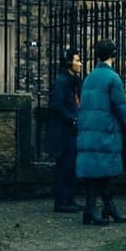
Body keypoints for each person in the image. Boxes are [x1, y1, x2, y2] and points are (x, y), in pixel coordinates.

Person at [76, 39, 126, 226]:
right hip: (106, 131)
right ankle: (100, 209)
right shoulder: (113, 78)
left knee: (96, 172)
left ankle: (96, 209)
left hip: (89, 130)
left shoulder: (89, 77)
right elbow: (120, 107)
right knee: (105, 172)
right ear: (113, 54)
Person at [44, 48, 83, 213]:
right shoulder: (61, 81)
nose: (80, 64)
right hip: (64, 132)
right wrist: (72, 119)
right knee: (64, 167)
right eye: (77, 60)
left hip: (72, 130)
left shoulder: (74, 81)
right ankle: (62, 201)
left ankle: (69, 199)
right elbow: (56, 105)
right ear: (68, 63)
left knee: (71, 166)